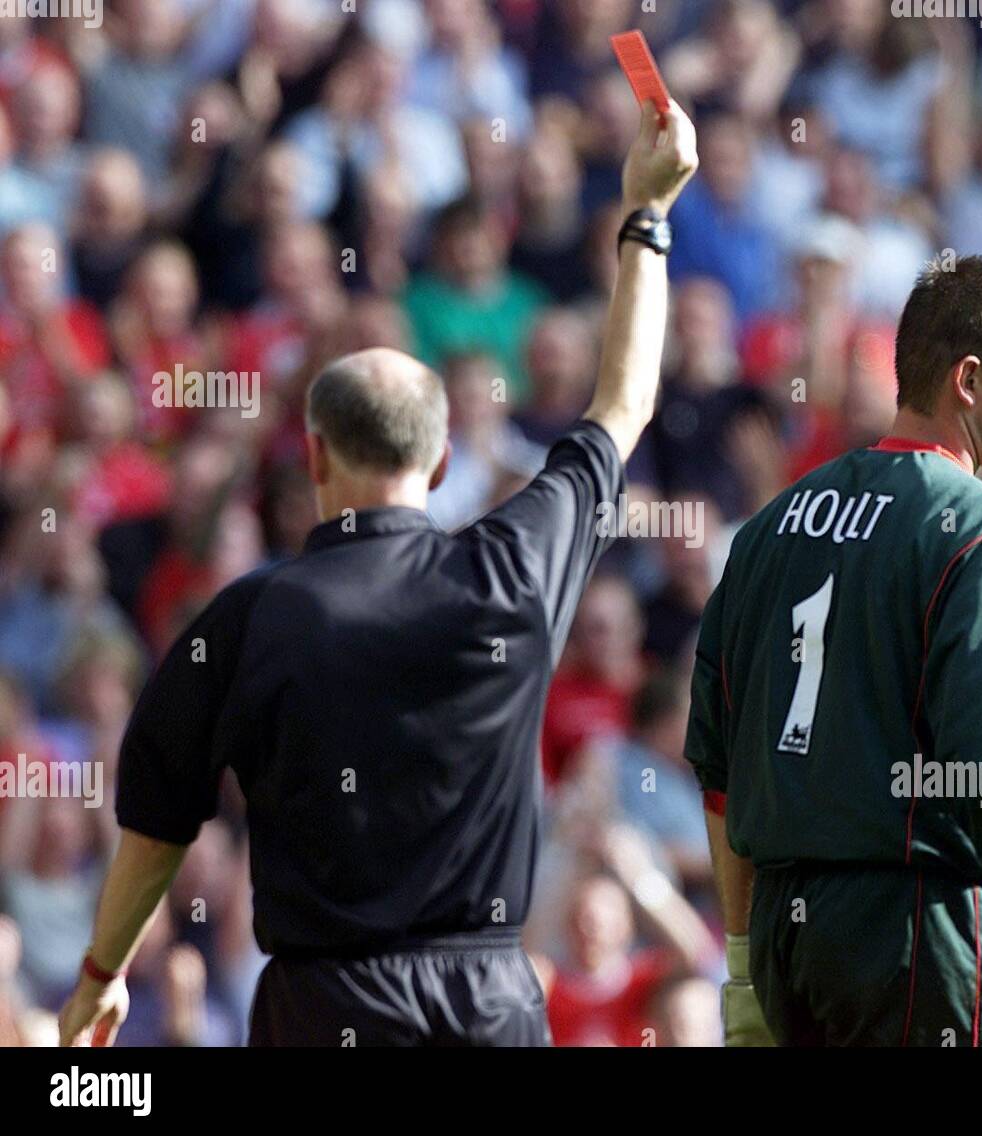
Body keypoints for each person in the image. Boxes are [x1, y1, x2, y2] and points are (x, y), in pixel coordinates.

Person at [56, 98, 698, 1048]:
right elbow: (624, 406)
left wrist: (102, 974)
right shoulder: (515, 570)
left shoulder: (246, 617)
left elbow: (157, 825)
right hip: (488, 1005)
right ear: (441, 467)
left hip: (323, 1009)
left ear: (313, 457)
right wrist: (647, 215)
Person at [685, 256, 982, 1048]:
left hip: (784, 943)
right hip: (919, 936)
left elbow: (721, 774)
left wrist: (741, 966)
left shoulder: (770, 528)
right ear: (969, 380)